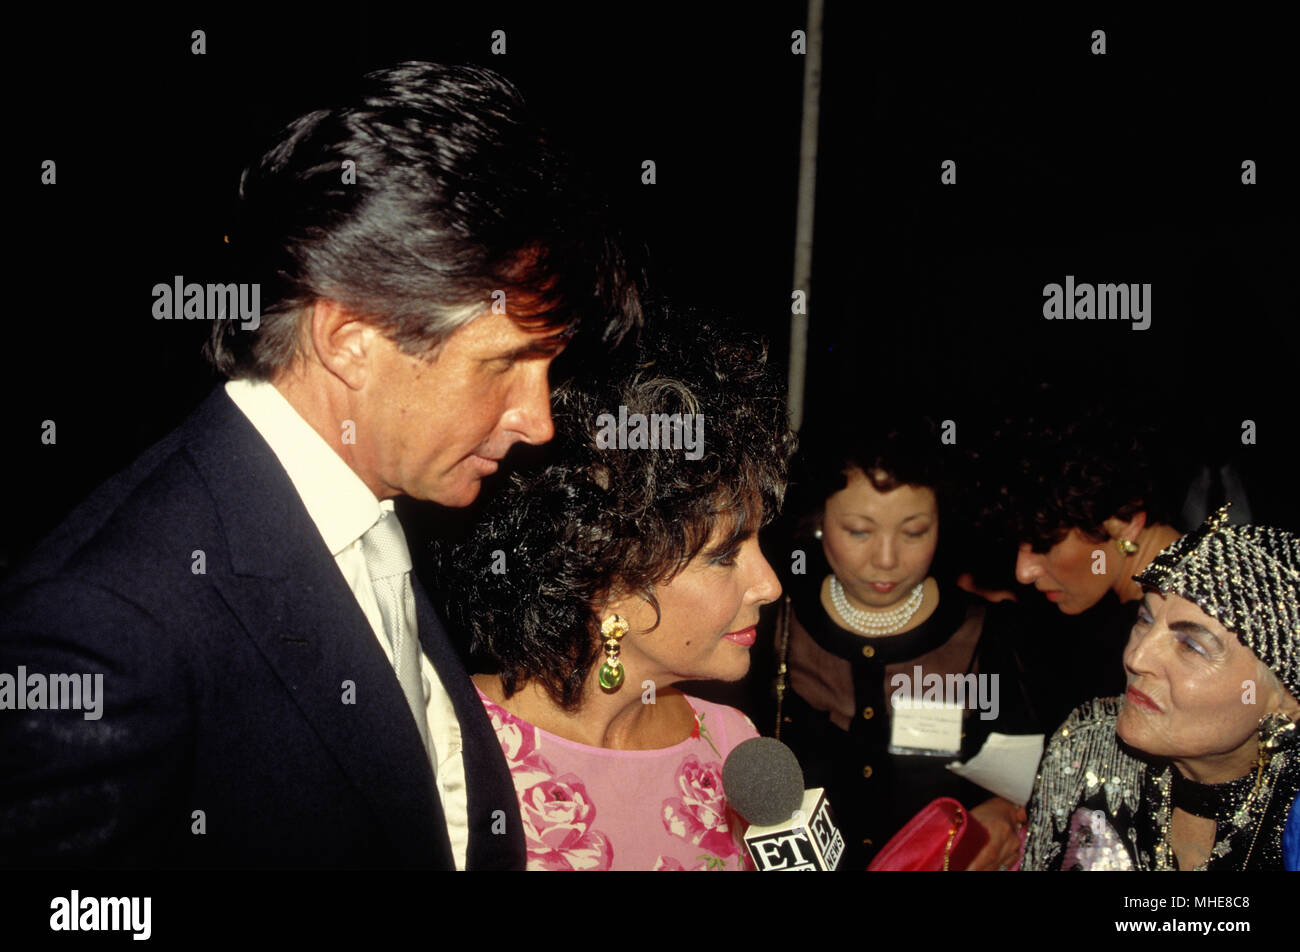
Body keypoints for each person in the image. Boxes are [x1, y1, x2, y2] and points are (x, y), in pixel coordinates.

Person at [0, 61, 639, 868]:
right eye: (505, 364)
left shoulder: (373, 509)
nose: (538, 421)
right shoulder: (105, 624)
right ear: (349, 342)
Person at [434, 313, 795, 870]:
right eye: (725, 555)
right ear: (600, 578)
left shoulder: (732, 744)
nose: (769, 585)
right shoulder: (449, 752)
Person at [769, 419, 1032, 871]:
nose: (887, 559)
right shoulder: (774, 623)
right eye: (858, 531)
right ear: (819, 523)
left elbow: (1028, 779)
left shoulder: (989, 635)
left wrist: (1006, 811)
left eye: (913, 532)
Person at [1022, 506, 1300, 870]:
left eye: (1191, 646)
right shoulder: (1085, 746)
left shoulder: (1290, 817)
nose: (1137, 657)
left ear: (1287, 701)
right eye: (1144, 619)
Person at [971, 411, 1186, 731]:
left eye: (1043, 545)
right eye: (1018, 545)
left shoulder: (1196, 623)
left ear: (1125, 523)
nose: (1024, 572)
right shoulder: (1121, 619)